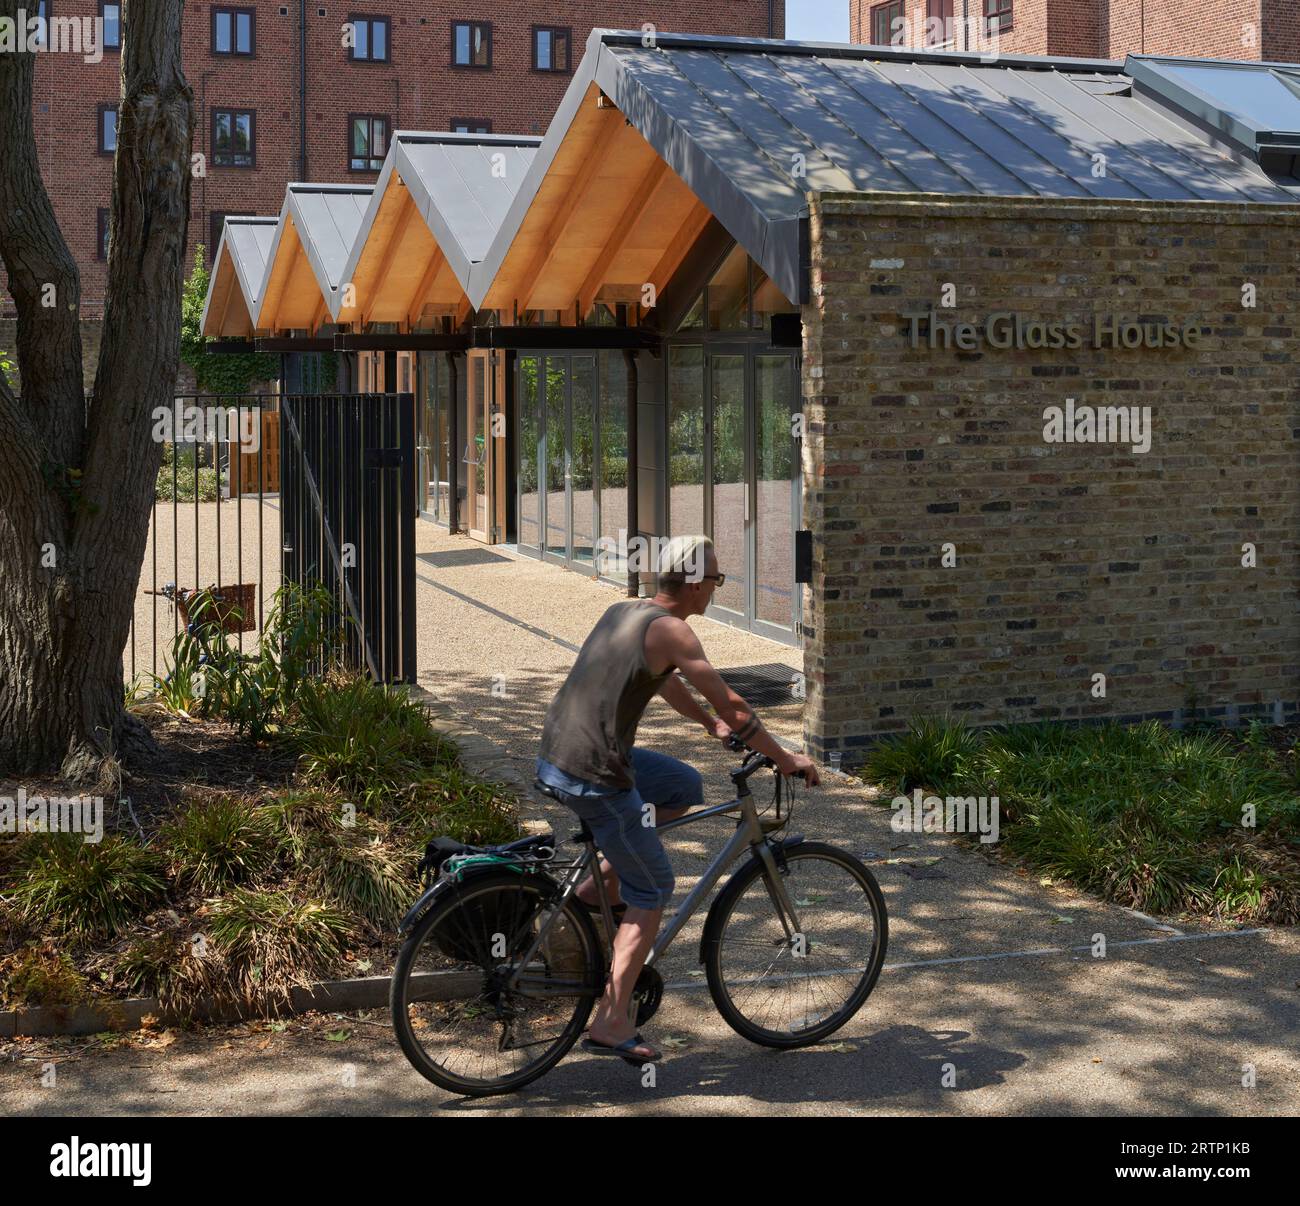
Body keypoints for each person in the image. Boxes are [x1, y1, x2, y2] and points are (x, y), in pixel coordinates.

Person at [535, 534, 820, 1065]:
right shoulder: (674, 630)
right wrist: (785, 758)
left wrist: (706, 723)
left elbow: (665, 683)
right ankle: (612, 1021)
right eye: (715, 579)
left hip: (558, 752)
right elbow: (735, 704)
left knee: (681, 786)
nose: (716, 587)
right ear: (692, 583)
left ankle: (599, 886)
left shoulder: (626, 610)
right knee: (655, 886)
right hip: (594, 771)